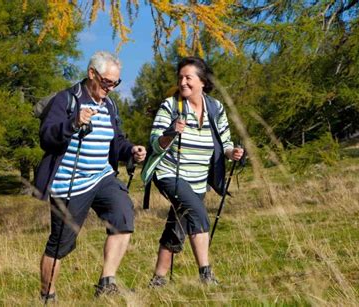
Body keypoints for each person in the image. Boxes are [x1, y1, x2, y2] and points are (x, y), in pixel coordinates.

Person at [34, 51, 146, 301]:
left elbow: (116, 141)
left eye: (116, 83)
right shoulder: (67, 100)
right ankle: (47, 296)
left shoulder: (109, 105)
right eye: (107, 82)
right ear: (91, 74)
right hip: (70, 182)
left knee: (123, 214)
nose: (111, 88)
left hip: (102, 177)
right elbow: (47, 137)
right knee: (61, 243)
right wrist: (73, 123)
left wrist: (131, 150)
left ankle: (107, 282)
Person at [146, 56, 244, 287]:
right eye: (180, 78)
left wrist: (233, 153)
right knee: (198, 213)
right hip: (169, 174)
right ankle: (205, 274)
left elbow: (225, 141)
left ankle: (158, 280)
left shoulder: (215, 107)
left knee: (177, 225)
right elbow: (154, 143)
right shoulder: (170, 106)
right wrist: (171, 132)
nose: (183, 82)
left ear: (202, 81)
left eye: (188, 77)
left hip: (199, 180)